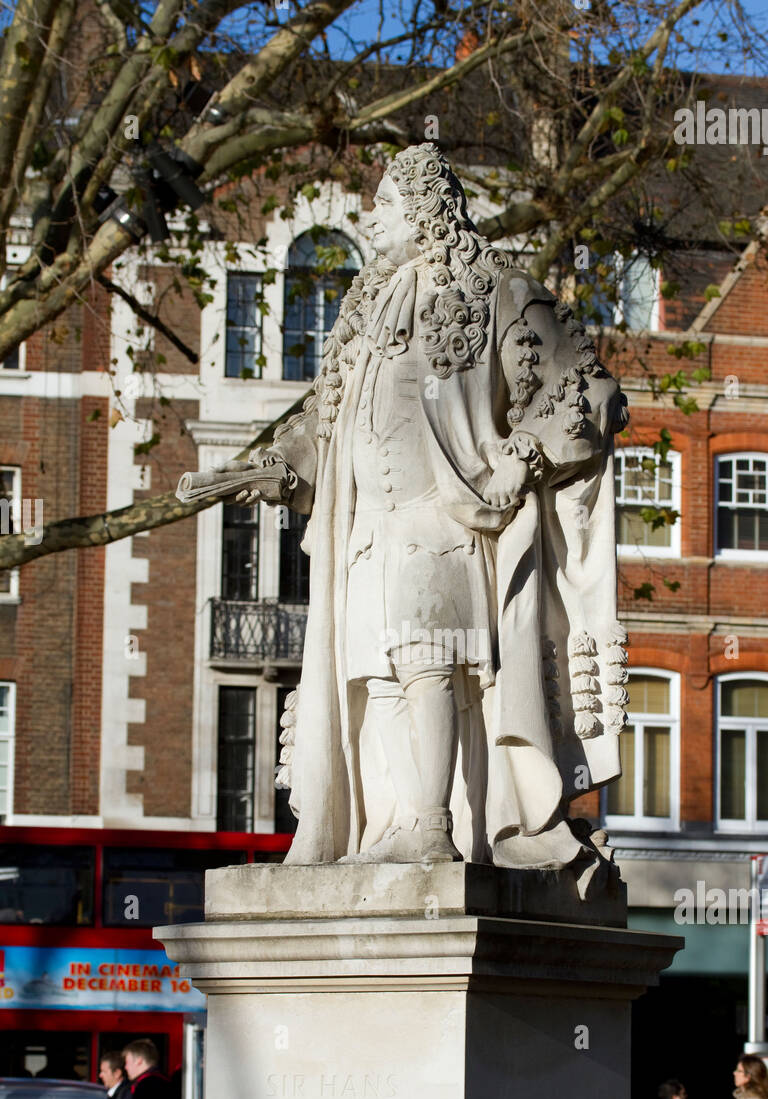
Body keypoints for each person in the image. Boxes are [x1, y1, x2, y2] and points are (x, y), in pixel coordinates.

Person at [233, 142, 629, 871]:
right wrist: (282, 470)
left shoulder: (501, 293)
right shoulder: (363, 318)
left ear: (423, 211)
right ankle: (390, 826)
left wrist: (524, 455)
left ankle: (432, 824)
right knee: (377, 677)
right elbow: (327, 431)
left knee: (428, 656)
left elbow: (592, 396)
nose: (369, 217)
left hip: (451, 524)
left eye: (382, 204)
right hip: (368, 538)